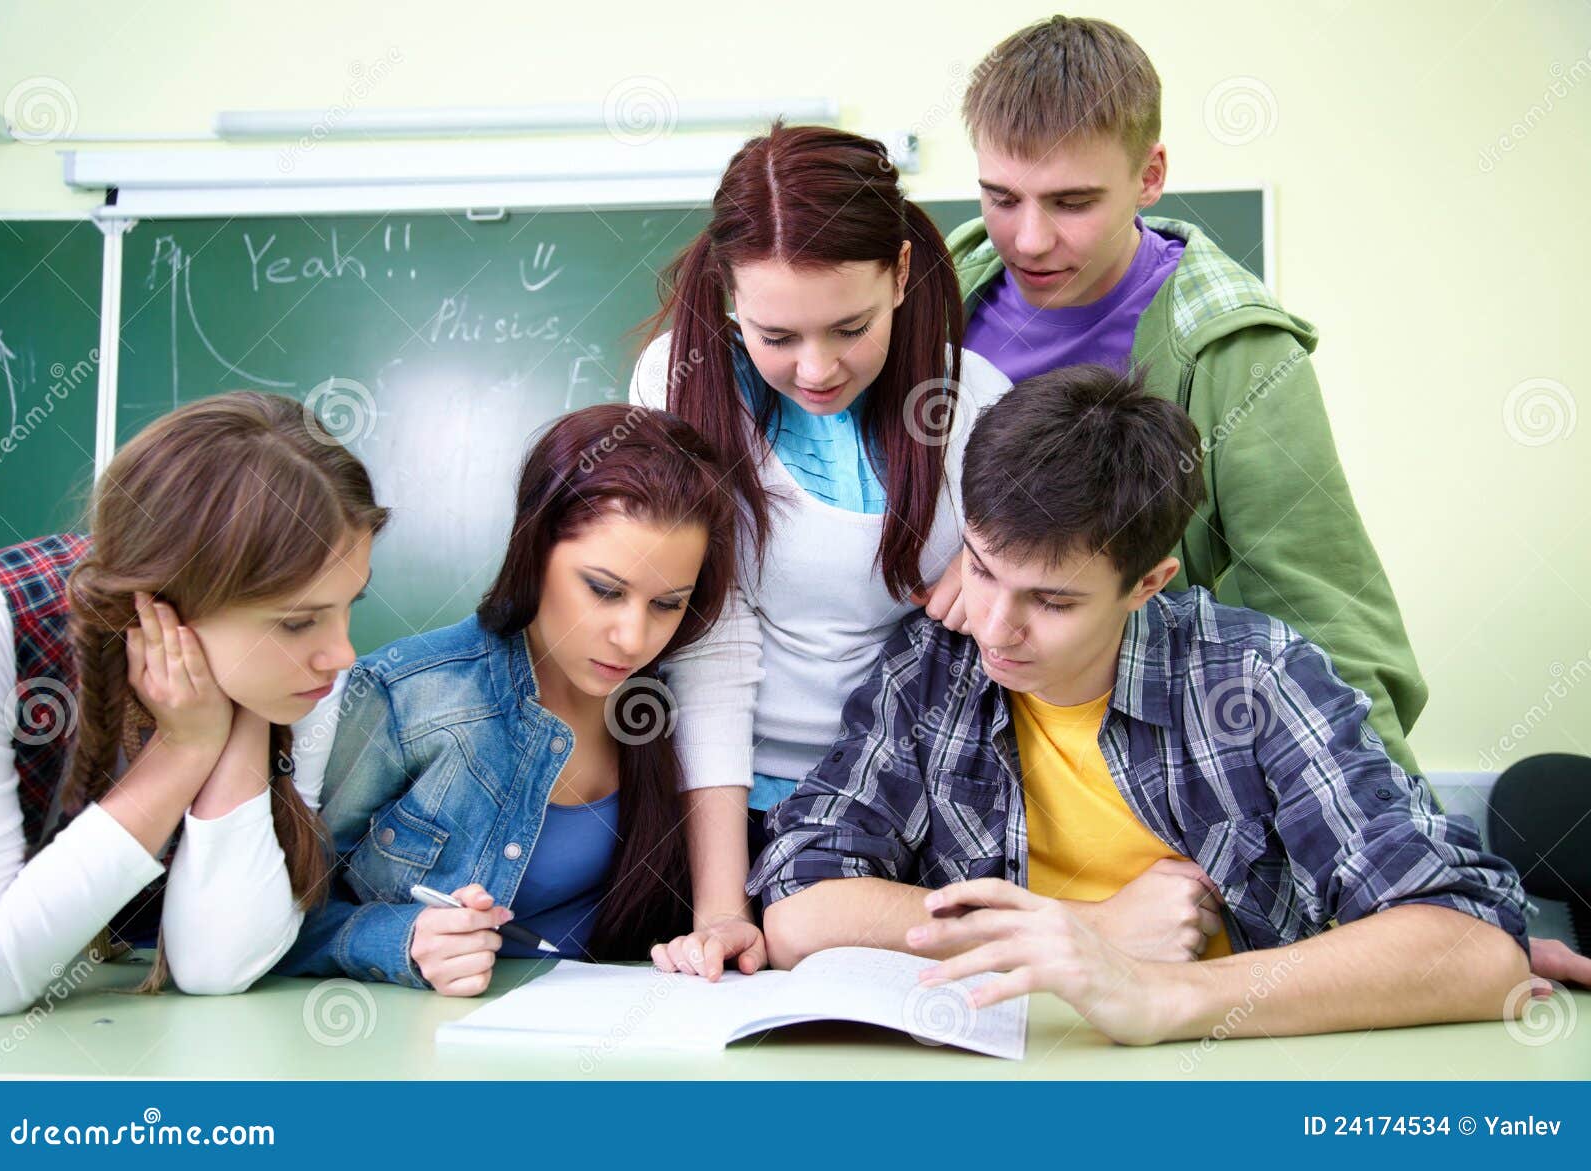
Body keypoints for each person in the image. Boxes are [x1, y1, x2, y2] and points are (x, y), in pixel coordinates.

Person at [751, 365, 1533, 1043]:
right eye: (982, 570)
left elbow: (1473, 945)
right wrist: (1091, 931)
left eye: (1052, 601)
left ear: (1147, 584)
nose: (993, 627)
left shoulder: (1254, 678)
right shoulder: (933, 669)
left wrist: (1162, 994)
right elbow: (800, 908)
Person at [942, 15, 1427, 778]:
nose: (1029, 238)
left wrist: (1392, 854)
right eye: (1001, 197)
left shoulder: (1237, 352)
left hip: (1148, 771)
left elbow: (1324, 619)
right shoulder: (931, 300)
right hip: (957, 755)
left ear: (1151, 173)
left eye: (1071, 202)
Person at [631, 122, 1010, 980]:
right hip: (729, 811)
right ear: (730, 296)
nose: (815, 368)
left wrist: (993, 561)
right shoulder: (676, 382)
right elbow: (713, 643)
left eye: (849, 327)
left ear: (903, 274)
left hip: (920, 817)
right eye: (776, 336)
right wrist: (724, 908)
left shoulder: (980, 401)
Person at [280, 404, 738, 995]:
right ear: (534, 551)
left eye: (667, 604)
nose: (633, 638)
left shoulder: (683, 708)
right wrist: (404, 939)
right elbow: (278, 921)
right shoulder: (407, 696)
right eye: (604, 590)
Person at [0, 391, 385, 1015]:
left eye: (348, 607)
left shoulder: (302, 677)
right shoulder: (3, 623)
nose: (341, 655)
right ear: (165, 604)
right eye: (295, 623)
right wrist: (182, 750)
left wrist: (243, 723)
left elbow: (216, 966)